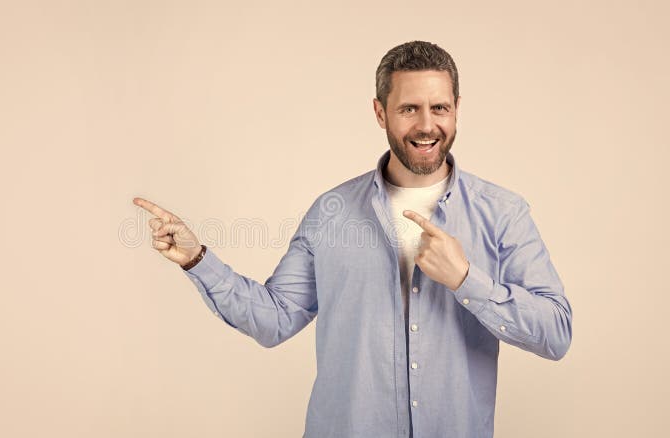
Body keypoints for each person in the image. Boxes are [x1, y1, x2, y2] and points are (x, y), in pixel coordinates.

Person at [133, 40, 572, 438]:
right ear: (380, 112)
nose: (426, 125)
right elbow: (276, 319)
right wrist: (197, 259)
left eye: (439, 108)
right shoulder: (332, 212)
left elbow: (555, 332)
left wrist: (466, 279)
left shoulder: (503, 213)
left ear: (456, 108)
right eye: (408, 109)